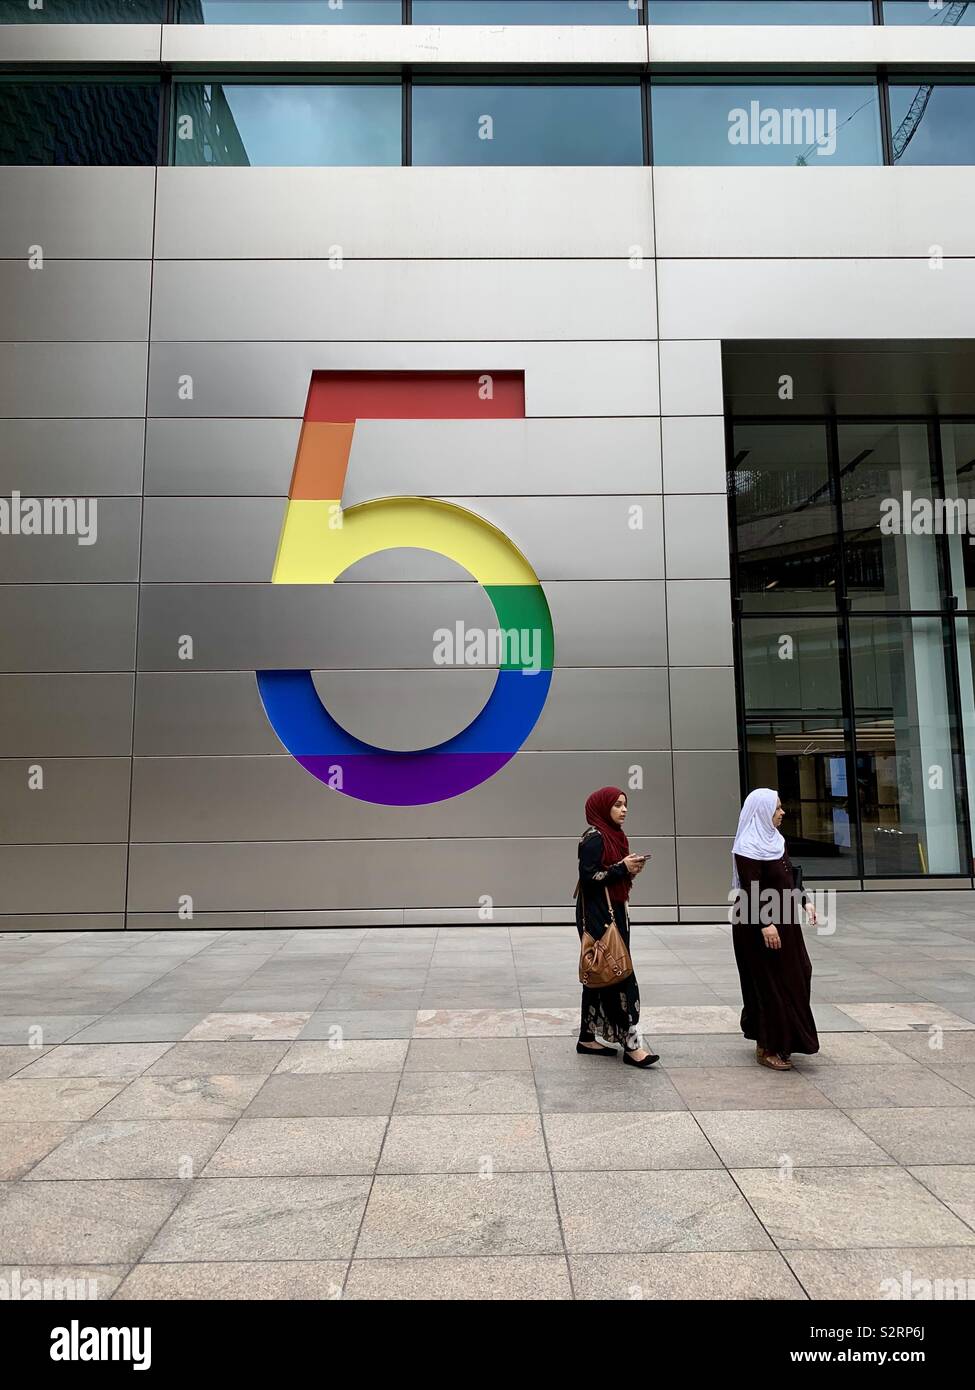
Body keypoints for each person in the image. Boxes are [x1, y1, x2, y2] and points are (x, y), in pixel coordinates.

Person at [731, 788, 820, 1071]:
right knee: (768, 983)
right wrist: (765, 924)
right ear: (761, 811)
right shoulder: (748, 846)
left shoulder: (775, 840)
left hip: (784, 921)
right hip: (757, 925)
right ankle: (768, 1045)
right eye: (777, 808)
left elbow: (789, 875)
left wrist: (804, 900)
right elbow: (751, 889)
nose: (782, 813)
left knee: (799, 972)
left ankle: (787, 1039)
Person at [575, 786, 659, 1068]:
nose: (624, 810)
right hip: (600, 916)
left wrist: (628, 868)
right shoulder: (594, 839)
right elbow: (589, 879)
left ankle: (587, 1036)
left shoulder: (616, 836)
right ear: (602, 808)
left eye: (625, 804)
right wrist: (622, 868)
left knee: (600, 971)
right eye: (617, 805)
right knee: (619, 975)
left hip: (614, 911)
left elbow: (609, 873)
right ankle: (632, 1046)